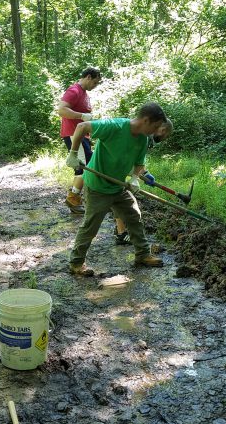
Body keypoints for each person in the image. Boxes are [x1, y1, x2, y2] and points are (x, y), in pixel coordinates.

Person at [65, 102, 173, 275]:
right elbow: (81, 126)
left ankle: (143, 254)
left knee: (134, 216)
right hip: (98, 187)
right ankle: (76, 263)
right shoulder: (115, 126)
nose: (155, 131)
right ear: (146, 120)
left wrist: (135, 178)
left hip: (118, 186)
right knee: (90, 226)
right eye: (155, 126)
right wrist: (73, 153)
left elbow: (138, 163)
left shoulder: (143, 139)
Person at [57, 67, 102, 214]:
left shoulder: (84, 93)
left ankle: (80, 198)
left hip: (83, 135)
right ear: (88, 77)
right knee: (84, 168)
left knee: (86, 167)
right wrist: (81, 116)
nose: (95, 86)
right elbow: (62, 110)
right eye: (95, 82)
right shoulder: (74, 90)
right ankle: (73, 198)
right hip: (73, 134)